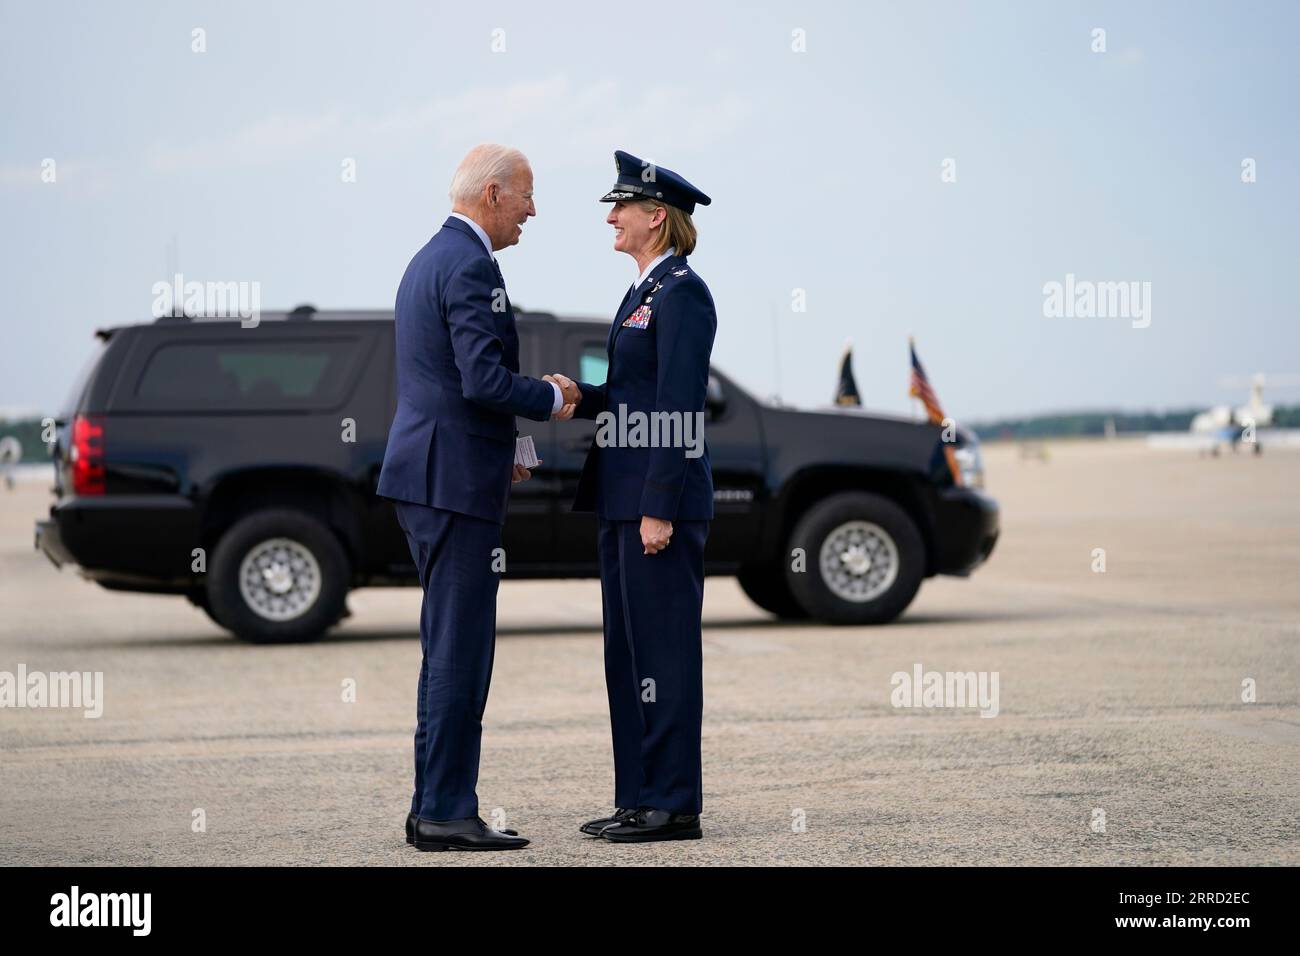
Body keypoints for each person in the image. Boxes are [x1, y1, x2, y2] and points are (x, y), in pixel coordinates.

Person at [376, 144, 578, 851]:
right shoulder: (468, 264)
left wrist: (512, 446)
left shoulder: (432, 257)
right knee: (461, 650)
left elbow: (447, 381)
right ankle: (446, 813)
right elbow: (483, 382)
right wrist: (553, 398)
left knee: (446, 647)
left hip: (439, 473)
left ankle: (432, 804)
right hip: (450, 483)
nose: (532, 209)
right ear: (492, 193)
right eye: (526, 194)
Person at [549, 149, 717, 842]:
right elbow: (632, 397)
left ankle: (673, 803)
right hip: (621, 500)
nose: (611, 217)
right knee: (627, 655)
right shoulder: (643, 292)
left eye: (621, 207)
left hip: (655, 505)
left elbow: (678, 406)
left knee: (664, 653)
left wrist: (659, 505)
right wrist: (580, 397)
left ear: (657, 216)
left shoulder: (684, 293)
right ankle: (637, 795)